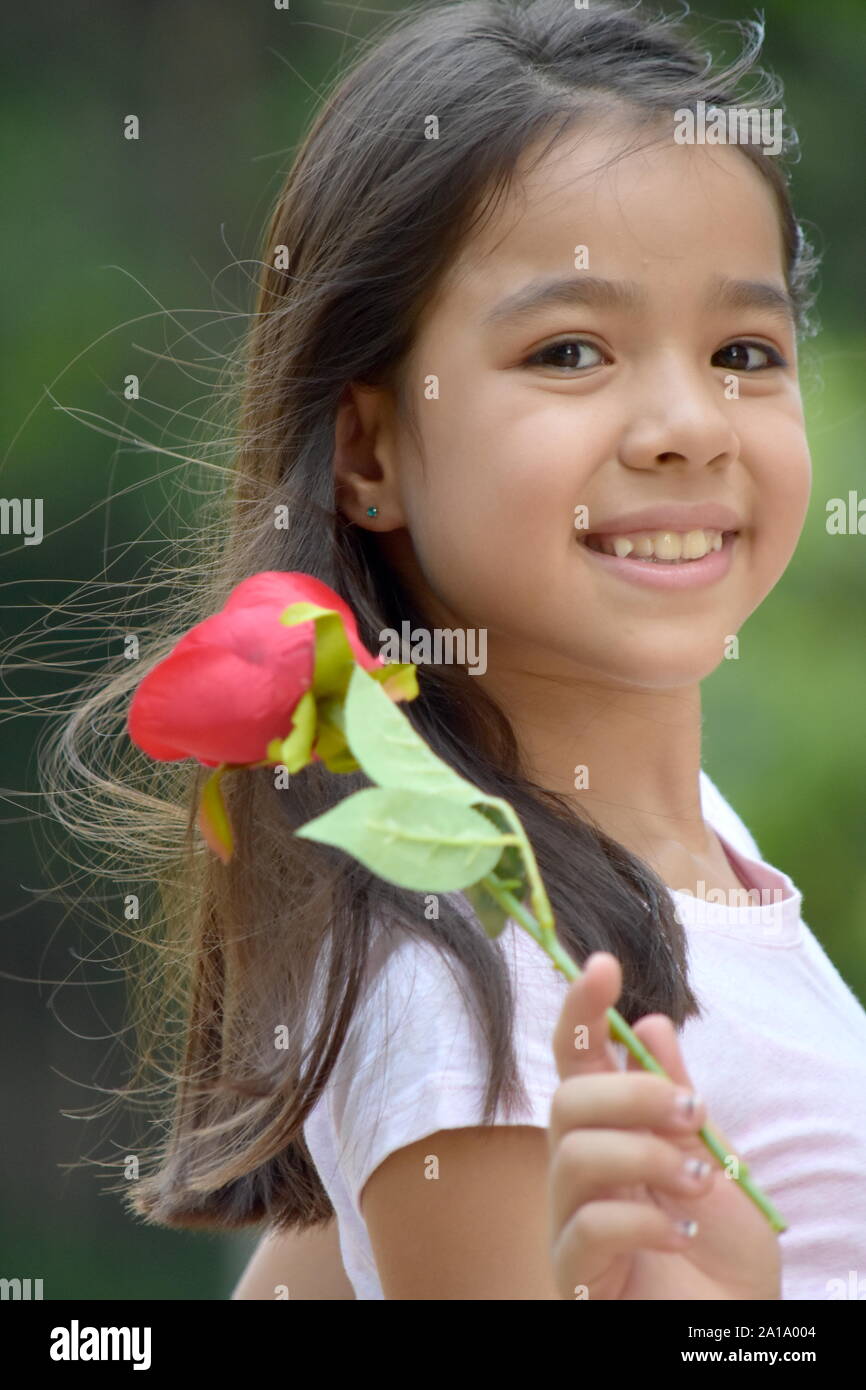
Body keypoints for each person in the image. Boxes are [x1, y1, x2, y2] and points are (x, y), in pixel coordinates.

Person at [45, 0, 866, 1299]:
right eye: (570, 350)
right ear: (368, 450)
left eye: (741, 351)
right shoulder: (468, 973)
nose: (685, 424)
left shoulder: (608, 877)